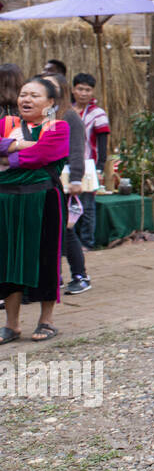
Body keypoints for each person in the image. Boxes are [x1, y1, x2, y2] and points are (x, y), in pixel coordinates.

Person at [0, 77, 70, 343]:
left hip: (42, 200)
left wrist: (6, 157)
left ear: (50, 102)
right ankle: (11, 324)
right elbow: (33, 154)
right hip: (6, 200)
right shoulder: (7, 124)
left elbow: (42, 156)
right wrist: (20, 145)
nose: (26, 100)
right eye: (23, 94)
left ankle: (46, 320)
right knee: (7, 259)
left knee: (44, 257)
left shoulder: (58, 127)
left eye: (34, 95)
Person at [47, 74, 92, 296]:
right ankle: (55, 276)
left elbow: (77, 150)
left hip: (64, 182)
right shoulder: (45, 115)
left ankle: (80, 275)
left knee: (67, 230)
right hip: (46, 181)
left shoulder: (69, 116)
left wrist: (76, 178)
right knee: (50, 231)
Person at [70, 73, 107, 252]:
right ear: (73, 89)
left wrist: (100, 167)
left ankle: (86, 243)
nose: (83, 93)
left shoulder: (98, 113)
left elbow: (103, 143)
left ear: (92, 92)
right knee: (69, 205)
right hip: (67, 166)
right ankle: (71, 242)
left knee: (87, 206)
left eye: (88, 90)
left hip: (89, 167)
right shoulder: (66, 111)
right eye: (80, 89)